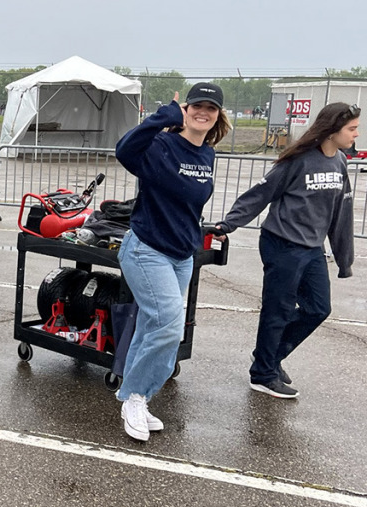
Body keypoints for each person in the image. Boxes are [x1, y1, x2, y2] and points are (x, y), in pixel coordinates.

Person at [112, 83, 230, 442]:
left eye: (211, 108)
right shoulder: (162, 145)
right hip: (146, 249)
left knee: (153, 328)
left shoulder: (207, 155)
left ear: (217, 116)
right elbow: (125, 150)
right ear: (187, 109)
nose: (203, 112)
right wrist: (163, 116)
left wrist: (205, 232)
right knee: (168, 327)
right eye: (197, 105)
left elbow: (187, 204)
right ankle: (132, 397)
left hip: (182, 255)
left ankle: (139, 396)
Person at [213, 102, 356, 399]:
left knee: (318, 308)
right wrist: (229, 224)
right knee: (277, 310)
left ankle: (269, 356)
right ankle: (263, 375)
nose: (356, 134)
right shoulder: (299, 160)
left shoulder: (340, 161)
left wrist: (344, 260)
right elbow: (261, 193)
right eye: (351, 129)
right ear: (332, 130)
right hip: (282, 244)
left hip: (312, 247)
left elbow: (342, 213)